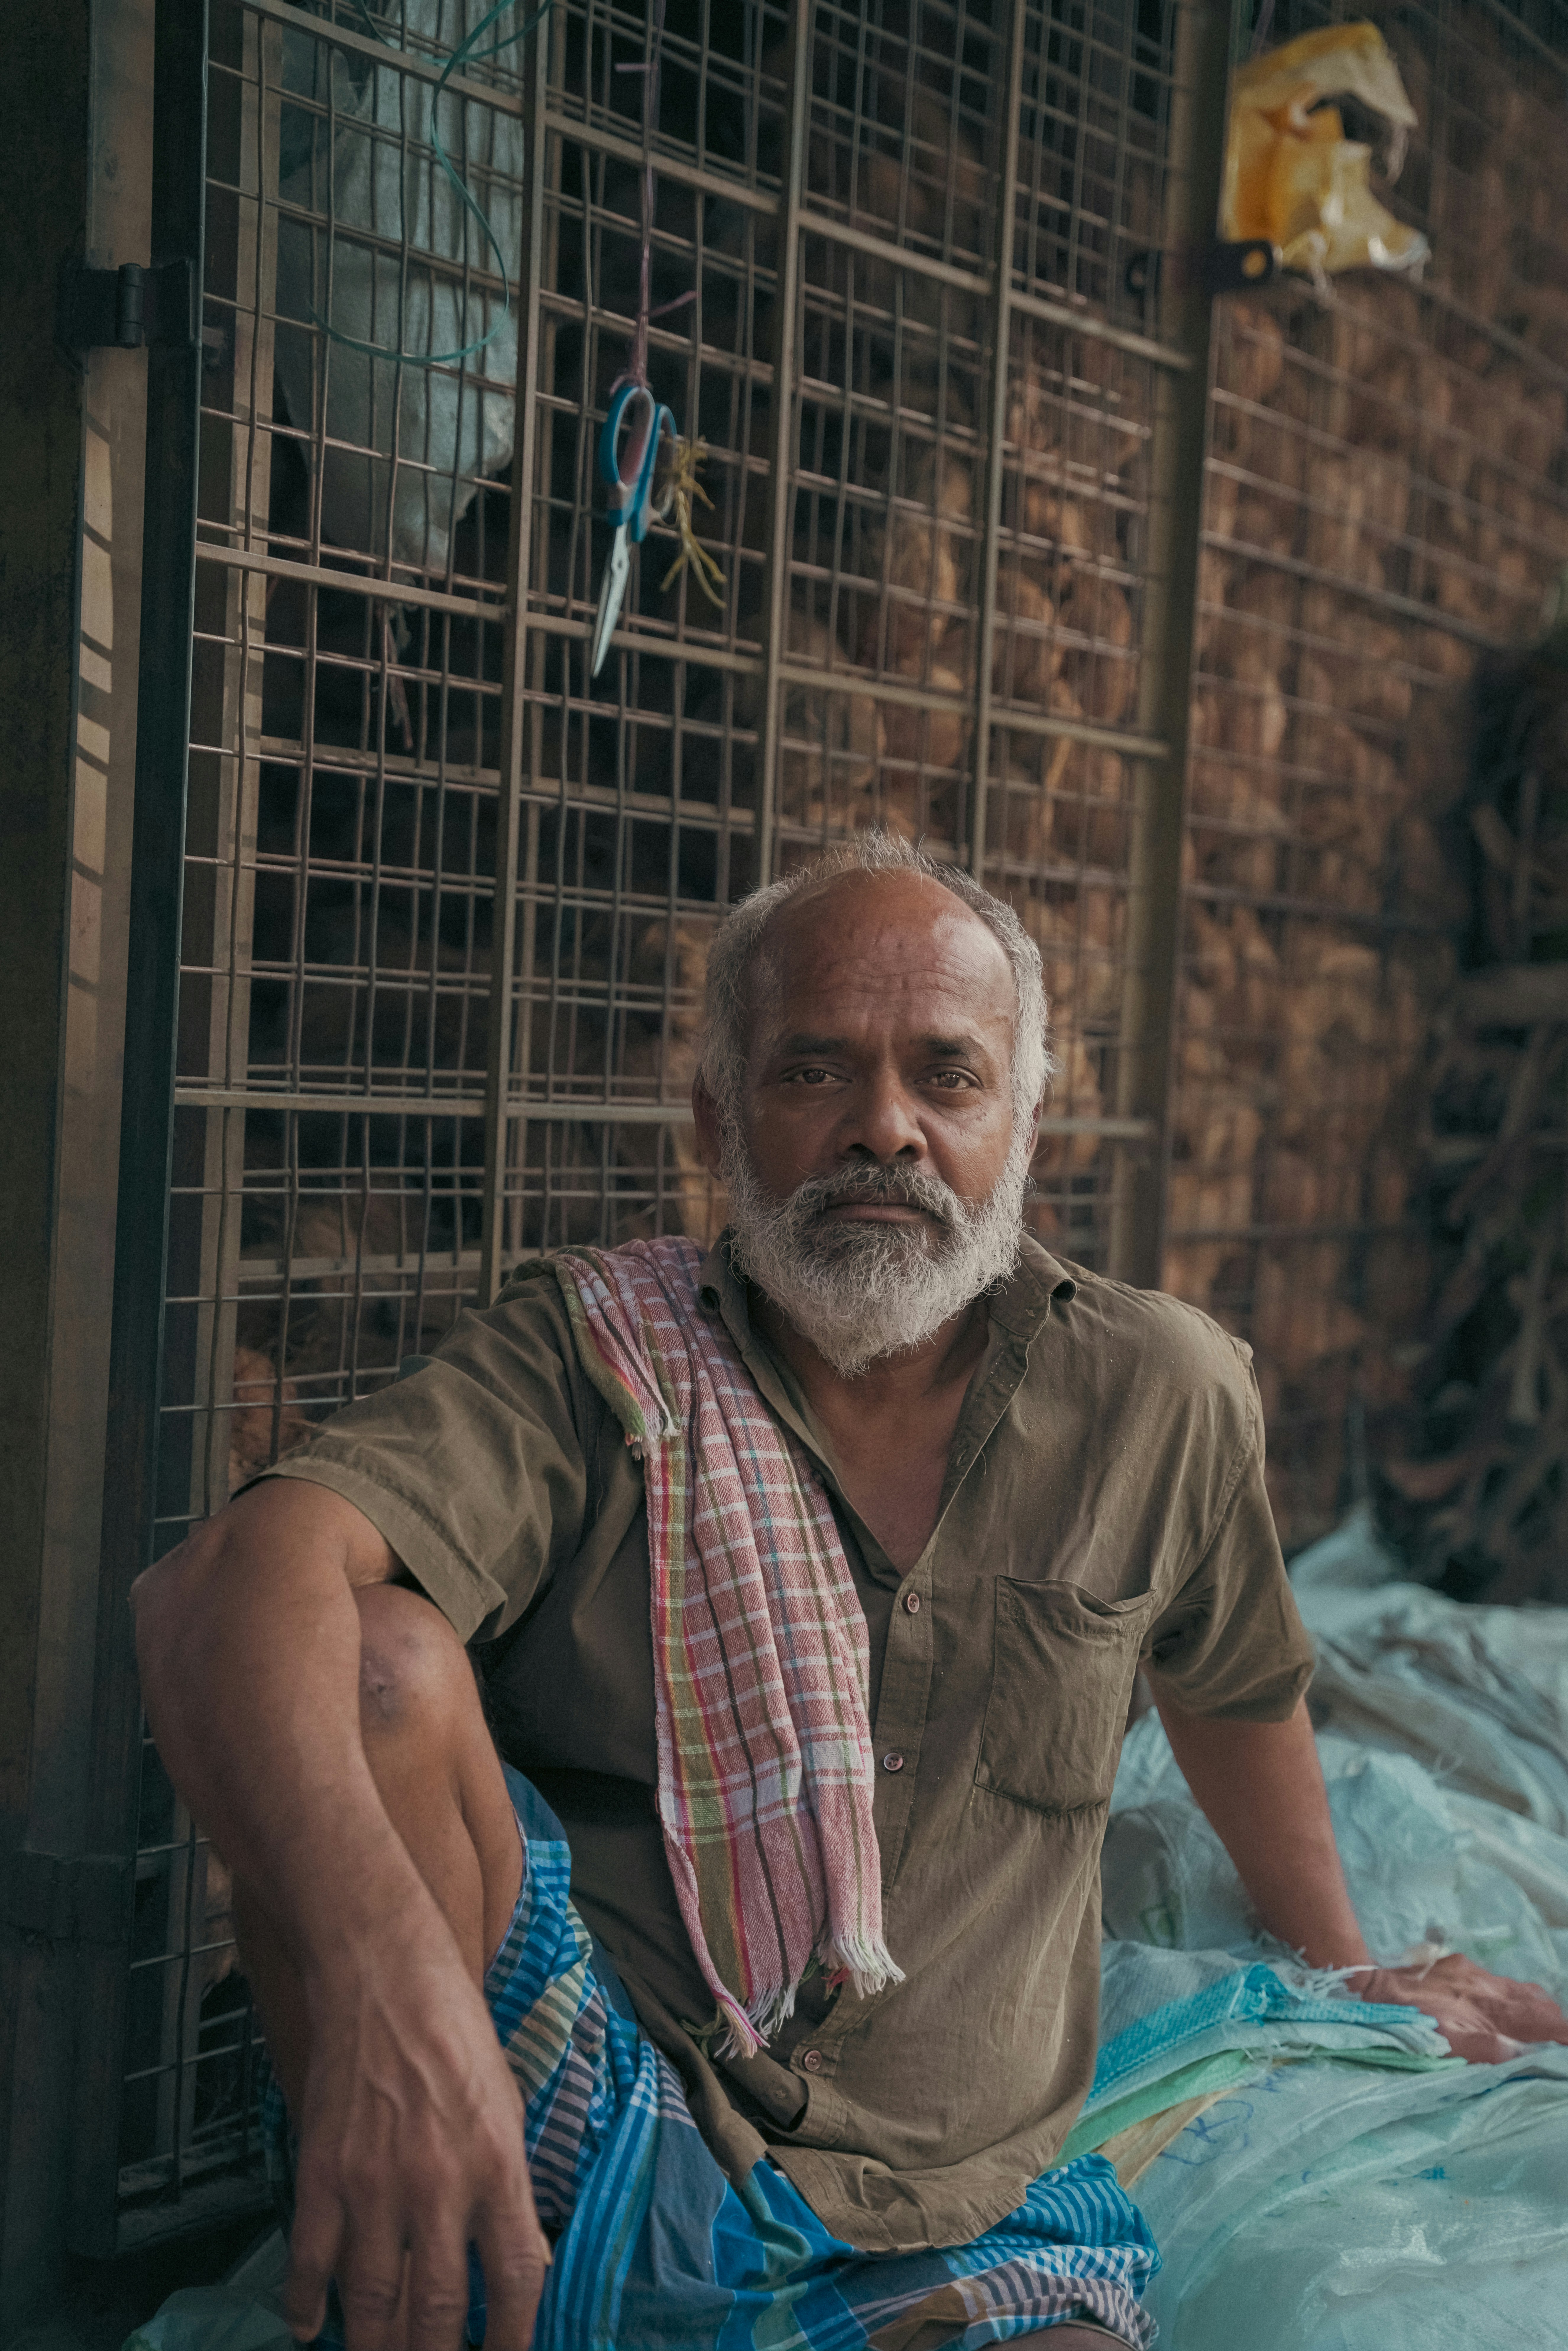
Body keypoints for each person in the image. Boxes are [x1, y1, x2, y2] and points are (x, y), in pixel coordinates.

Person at [133, 833, 1568, 2351]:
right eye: (816, 1072)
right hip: (590, 2100)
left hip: (962, 2200)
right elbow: (221, 1589)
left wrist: (1343, 1968)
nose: (884, 1128)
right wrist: (384, 1996)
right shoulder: (591, 1360)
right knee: (378, 1658)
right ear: (718, 1118)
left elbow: (1234, 1685)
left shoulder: (1162, 1395)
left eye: (946, 1076)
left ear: (1025, 1121)